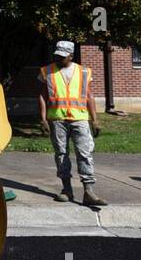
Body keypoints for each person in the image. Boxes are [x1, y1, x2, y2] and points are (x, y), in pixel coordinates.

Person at [37, 40, 107, 207]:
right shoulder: (46, 71)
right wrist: (43, 118)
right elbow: (42, 96)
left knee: (84, 154)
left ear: (71, 56)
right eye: (56, 56)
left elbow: (89, 96)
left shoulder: (84, 72)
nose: (58, 59)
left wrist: (95, 120)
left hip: (80, 119)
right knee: (61, 154)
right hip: (57, 119)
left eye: (62, 57)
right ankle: (66, 189)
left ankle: (88, 191)